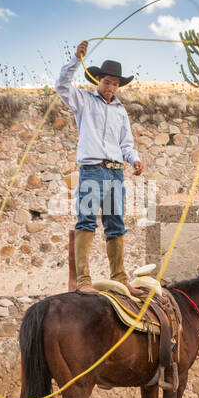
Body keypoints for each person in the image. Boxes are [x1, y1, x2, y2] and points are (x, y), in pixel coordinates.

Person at [54, 40, 144, 293]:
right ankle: (83, 281)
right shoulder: (82, 100)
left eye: (115, 84)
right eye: (107, 82)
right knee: (87, 221)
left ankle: (120, 279)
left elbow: (126, 143)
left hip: (116, 171)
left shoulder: (120, 111)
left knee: (116, 224)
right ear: (98, 81)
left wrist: (133, 158)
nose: (111, 87)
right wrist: (75, 59)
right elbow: (61, 85)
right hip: (93, 169)